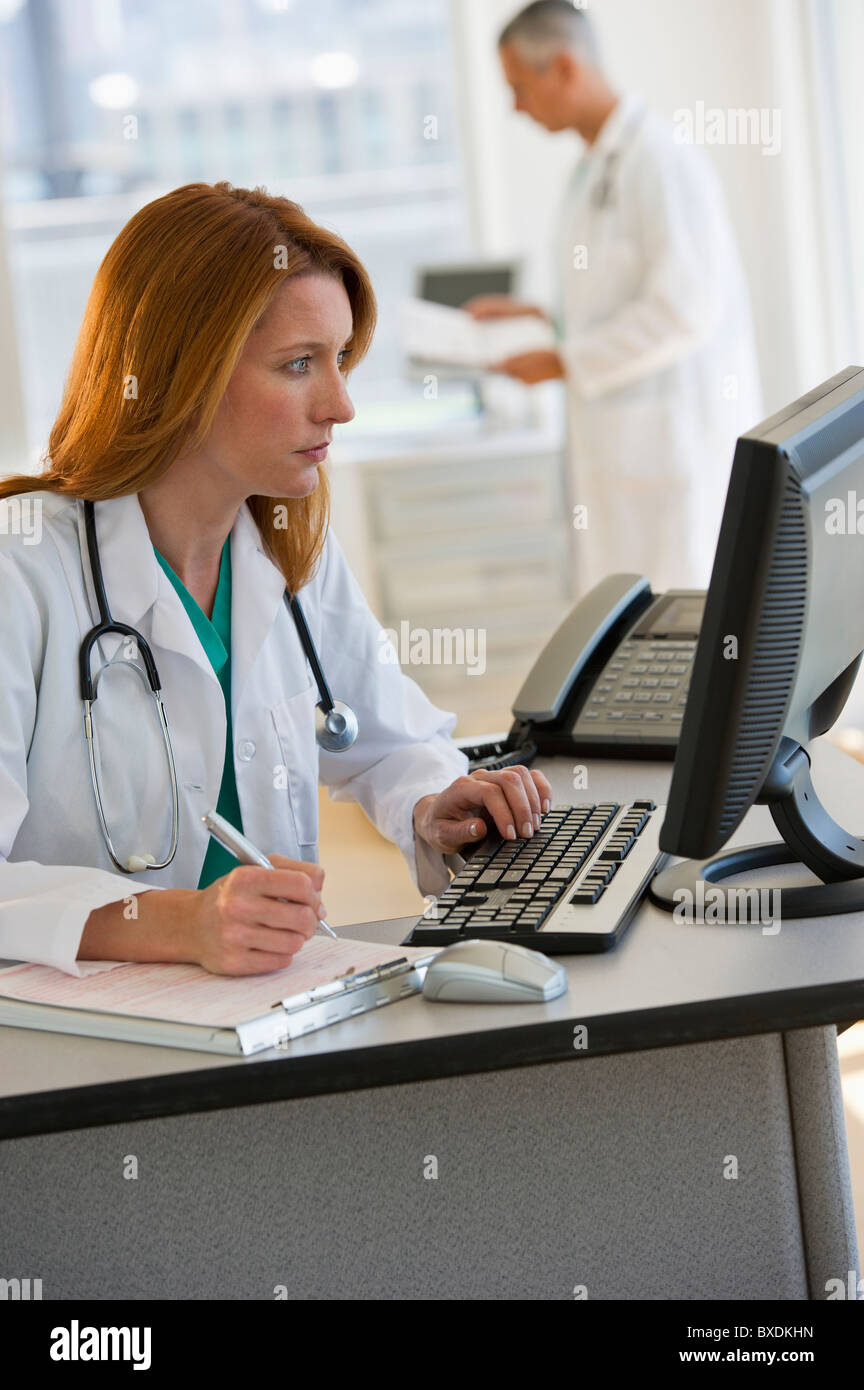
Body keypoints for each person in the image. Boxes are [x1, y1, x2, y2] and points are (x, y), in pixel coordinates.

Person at [0, 181, 552, 978]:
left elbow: (388, 743)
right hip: (89, 1045)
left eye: (340, 360)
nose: (340, 405)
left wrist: (434, 806)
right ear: (180, 375)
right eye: (299, 365)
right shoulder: (23, 570)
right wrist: (180, 924)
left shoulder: (285, 544)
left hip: (269, 1002)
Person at [465, 0, 763, 594]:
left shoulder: (661, 163)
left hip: (670, 455)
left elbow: (684, 311)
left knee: (681, 626)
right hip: (626, 454)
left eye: (520, 87)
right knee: (627, 626)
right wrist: (539, 316)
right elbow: (621, 295)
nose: (516, 107)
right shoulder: (600, 165)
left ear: (567, 68)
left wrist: (562, 361)